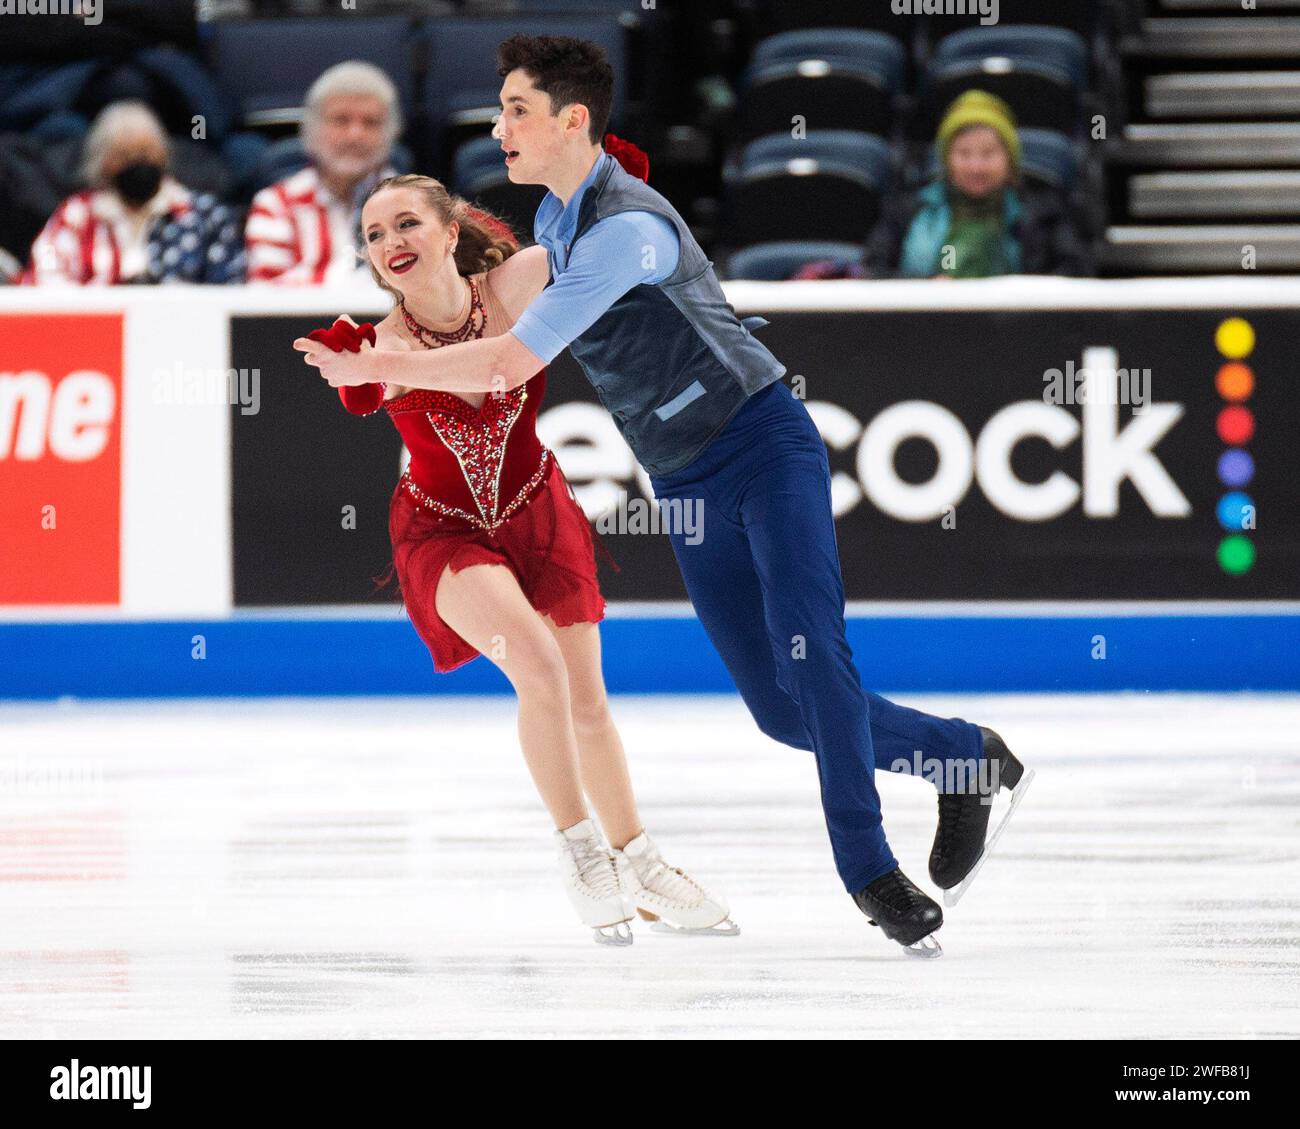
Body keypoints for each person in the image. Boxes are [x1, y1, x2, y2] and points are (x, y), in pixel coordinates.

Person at [297, 36, 1035, 956]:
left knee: (814, 658)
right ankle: (961, 758)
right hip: (682, 479)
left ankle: (869, 870)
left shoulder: (625, 231)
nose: (498, 127)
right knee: (774, 706)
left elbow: (507, 362)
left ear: (571, 121)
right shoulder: (556, 228)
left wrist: (380, 362)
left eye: (516, 110)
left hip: (764, 445)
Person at [295, 172, 736, 945]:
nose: (391, 243)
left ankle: (642, 859)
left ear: (449, 228)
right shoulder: (382, 346)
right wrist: (366, 370)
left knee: (589, 701)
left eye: (405, 224)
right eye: (373, 235)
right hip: (443, 533)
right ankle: (580, 851)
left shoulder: (519, 282)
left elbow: (593, 256)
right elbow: (403, 375)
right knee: (539, 670)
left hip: (538, 510)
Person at [864, 89, 1091, 279]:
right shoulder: (906, 210)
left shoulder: (1046, 214)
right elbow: (875, 270)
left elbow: (1074, 272)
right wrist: (924, 289)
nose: (976, 167)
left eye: (988, 154)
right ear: (947, 160)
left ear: (1009, 160)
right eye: (964, 154)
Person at [20, 101, 244, 286]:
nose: (138, 163)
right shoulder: (75, 215)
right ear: (102, 163)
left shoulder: (204, 216)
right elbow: (45, 278)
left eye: (147, 153)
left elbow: (230, 286)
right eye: (125, 156)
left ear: (164, 156)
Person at [245, 62, 402, 285]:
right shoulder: (275, 205)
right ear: (311, 130)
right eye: (341, 120)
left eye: (371, 122)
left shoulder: (419, 206)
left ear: (391, 134)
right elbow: (266, 300)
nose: (355, 135)